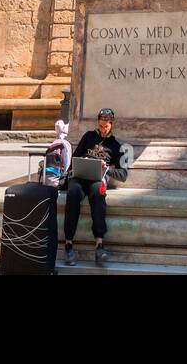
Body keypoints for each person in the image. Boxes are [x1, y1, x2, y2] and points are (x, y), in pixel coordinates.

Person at [63, 107, 128, 267]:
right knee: (73, 192)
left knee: (97, 193)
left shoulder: (116, 145)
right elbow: (74, 158)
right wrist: (80, 162)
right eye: (101, 126)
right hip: (79, 177)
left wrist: (108, 168)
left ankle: (99, 245)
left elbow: (123, 174)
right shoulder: (88, 136)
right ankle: (68, 244)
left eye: (106, 126)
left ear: (112, 125)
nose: (103, 129)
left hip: (97, 179)